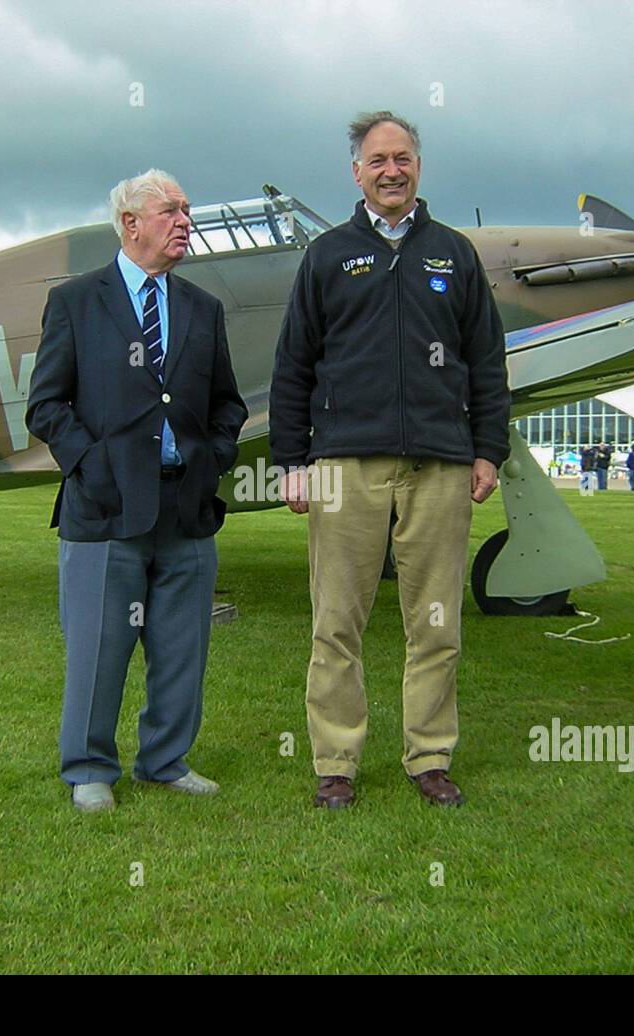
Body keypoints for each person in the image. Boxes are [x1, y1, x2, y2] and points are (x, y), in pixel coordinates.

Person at [269, 110, 509, 810]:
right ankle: (336, 762)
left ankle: (429, 756)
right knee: (336, 621)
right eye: (377, 160)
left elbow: (486, 362)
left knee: (435, 621)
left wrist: (488, 448)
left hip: (439, 462)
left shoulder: (454, 255)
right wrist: (291, 459)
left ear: (418, 166)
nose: (391, 170)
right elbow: (294, 366)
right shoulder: (326, 256)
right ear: (357, 172)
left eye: (402, 157)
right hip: (345, 465)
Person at [26, 169, 248, 813]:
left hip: (187, 507)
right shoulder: (75, 301)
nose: (186, 221)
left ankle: (166, 760)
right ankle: (89, 768)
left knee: (183, 646)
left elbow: (226, 403)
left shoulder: (203, 309)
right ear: (130, 224)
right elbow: (46, 406)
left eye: (188, 211)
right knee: (98, 646)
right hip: (103, 510)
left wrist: (214, 456)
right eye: (171, 210)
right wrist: (92, 467)